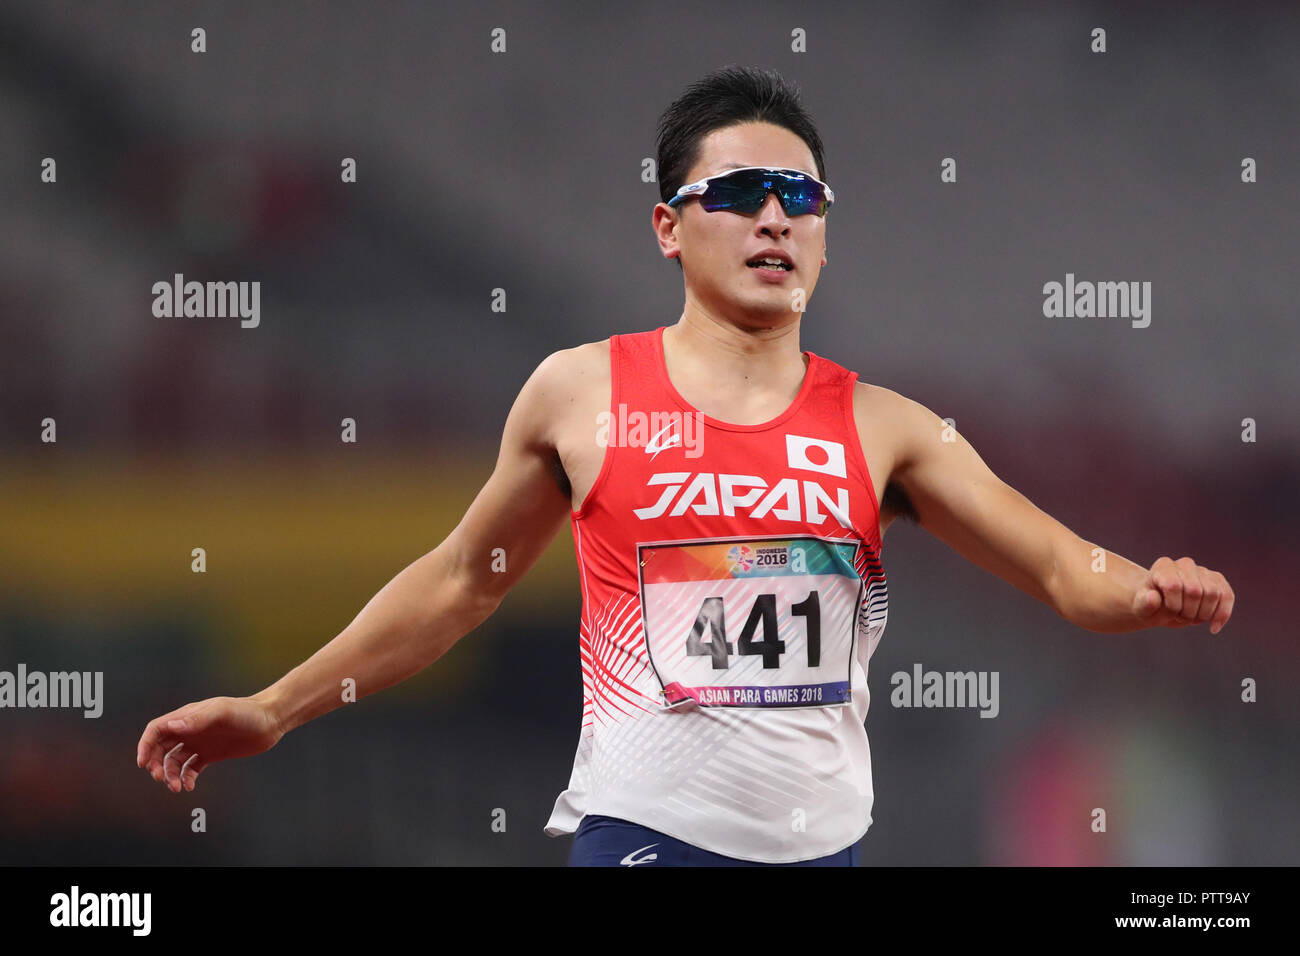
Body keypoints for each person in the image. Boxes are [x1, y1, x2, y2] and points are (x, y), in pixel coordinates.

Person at [136, 66, 1235, 867]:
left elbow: (1063, 568)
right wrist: (275, 708)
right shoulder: (579, 394)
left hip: (823, 852)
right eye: (741, 193)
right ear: (668, 227)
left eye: (801, 198)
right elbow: (461, 580)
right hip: (647, 839)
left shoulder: (888, 429)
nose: (775, 218)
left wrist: (1149, 589)